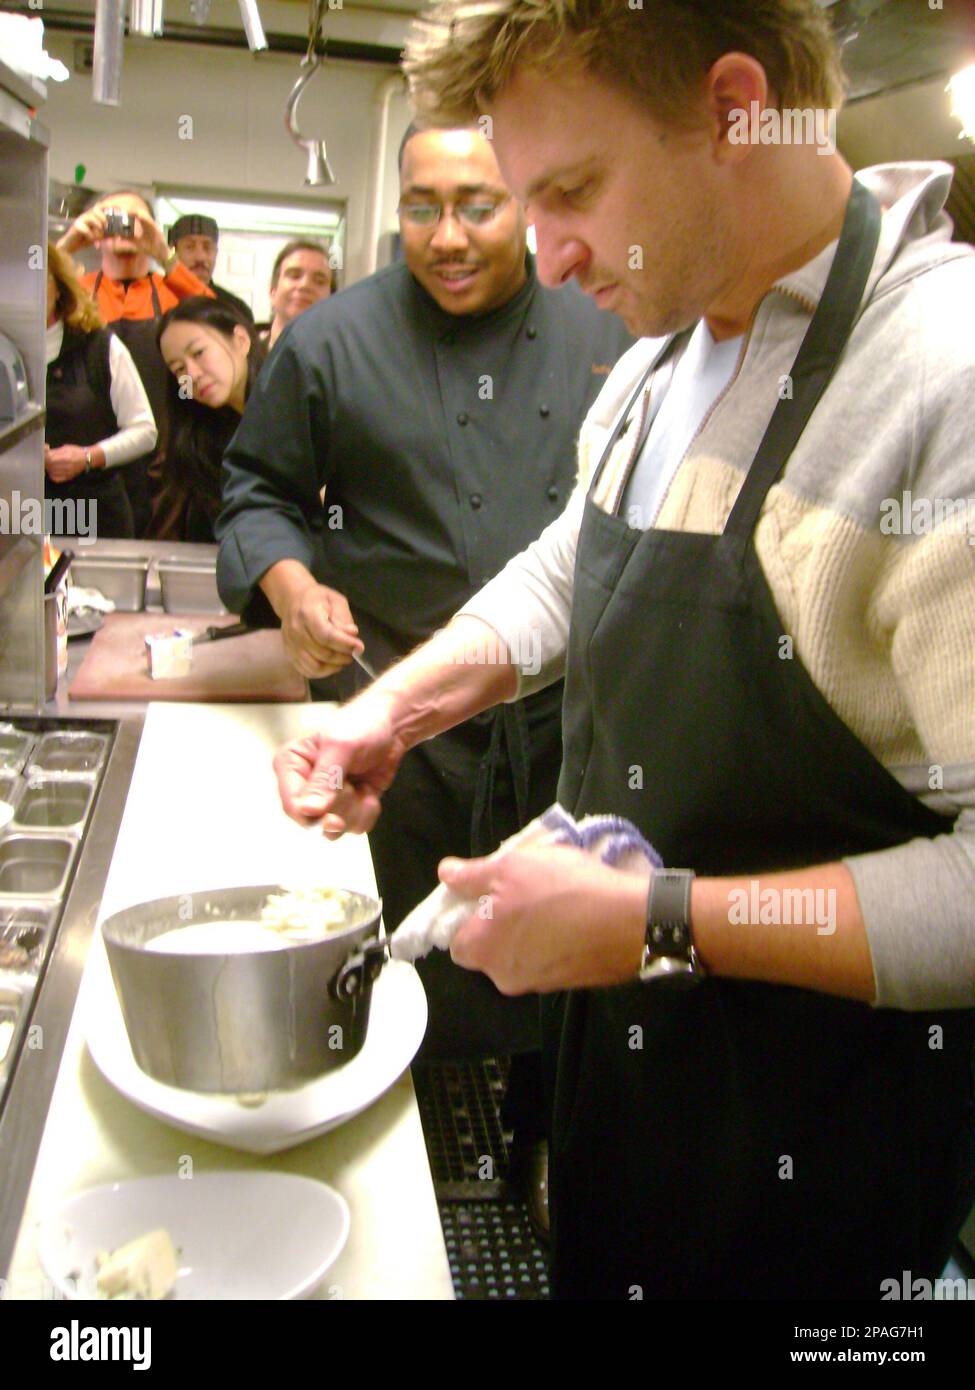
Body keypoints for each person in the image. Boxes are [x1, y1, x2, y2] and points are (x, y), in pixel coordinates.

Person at [270, 0, 975, 1301]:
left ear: (727, 109)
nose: (541, 258)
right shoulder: (665, 346)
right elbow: (568, 573)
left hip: (813, 1173)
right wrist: (398, 706)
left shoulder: (940, 380)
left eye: (571, 191)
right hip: (627, 1108)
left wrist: (657, 922)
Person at [216, 124, 632, 1219]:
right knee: (392, 963)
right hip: (391, 722)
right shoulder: (332, 342)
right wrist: (292, 587)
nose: (446, 237)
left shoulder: (608, 333)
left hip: (562, 730)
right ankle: (385, 1163)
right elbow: (254, 492)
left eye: (479, 207)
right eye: (420, 207)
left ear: (531, 207)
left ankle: (542, 1153)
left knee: (562, 966)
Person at [57, 190, 215, 535]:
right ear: (96, 238)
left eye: (134, 222)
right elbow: (20, 299)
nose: (123, 228)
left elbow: (221, 324)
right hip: (88, 469)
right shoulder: (73, 294)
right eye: (111, 219)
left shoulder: (175, 292)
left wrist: (164, 253)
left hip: (163, 470)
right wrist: (69, 243)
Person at [44, 241, 157, 540]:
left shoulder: (99, 347)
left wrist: (87, 457)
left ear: (59, 288)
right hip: (21, 514)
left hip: (95, 516)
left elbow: (145, 430)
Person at [153, 297, 265, 543]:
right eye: (179, 368)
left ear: (241, 341)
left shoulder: (292, 407)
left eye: (199, 353)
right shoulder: (200, 439)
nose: (192, 374)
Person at [168, 213, 255, 324]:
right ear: (173, 251)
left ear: (216, 252)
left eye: (207, 247)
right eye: (189, 247)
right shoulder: (155, 298)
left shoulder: (236, 309)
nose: (200, 257)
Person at [257, 240, 334, 348]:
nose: (305, 285)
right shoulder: (241, 359)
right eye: (294, 275)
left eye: (319, 281)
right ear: (272, 291)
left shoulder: (345, 362)